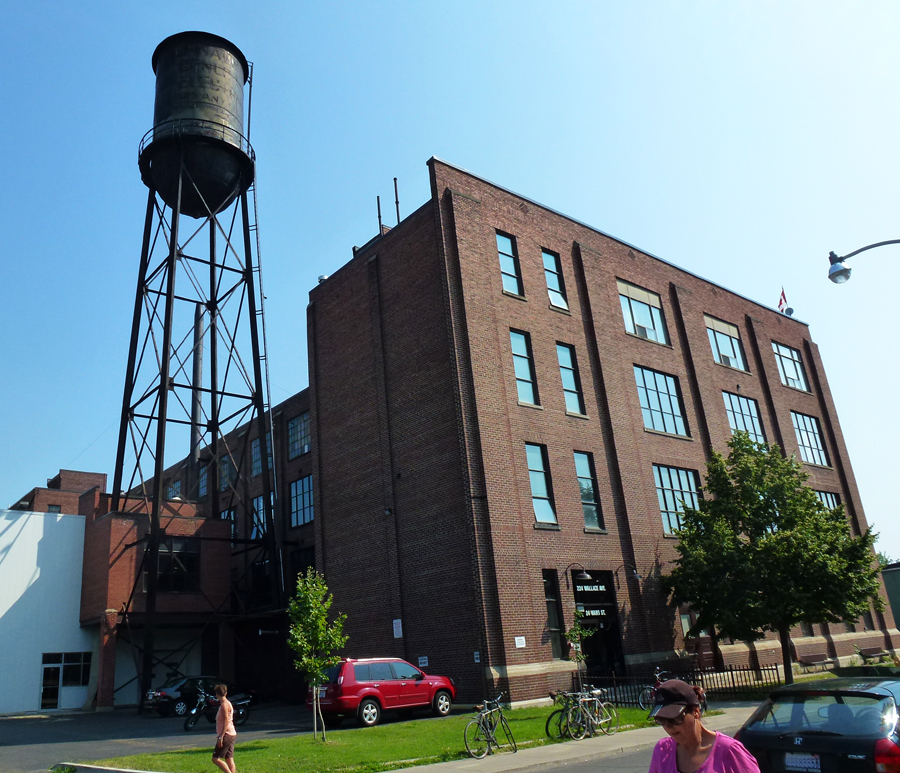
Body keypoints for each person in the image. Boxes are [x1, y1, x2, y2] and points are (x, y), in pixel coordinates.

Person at [647, 680, 759, 773]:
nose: (668, 726)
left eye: (675, 718)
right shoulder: (662, 751)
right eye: (661, 719)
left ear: (696, 712)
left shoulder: (729, 750)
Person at [212, 683, 237, 773]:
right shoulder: (227, 703)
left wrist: (221, 736)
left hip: (226, 734)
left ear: (217, 694)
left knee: (215, 759)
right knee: (229, 758)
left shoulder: (224, 705)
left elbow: (226, 721)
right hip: (232, 733)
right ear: (225, 693)